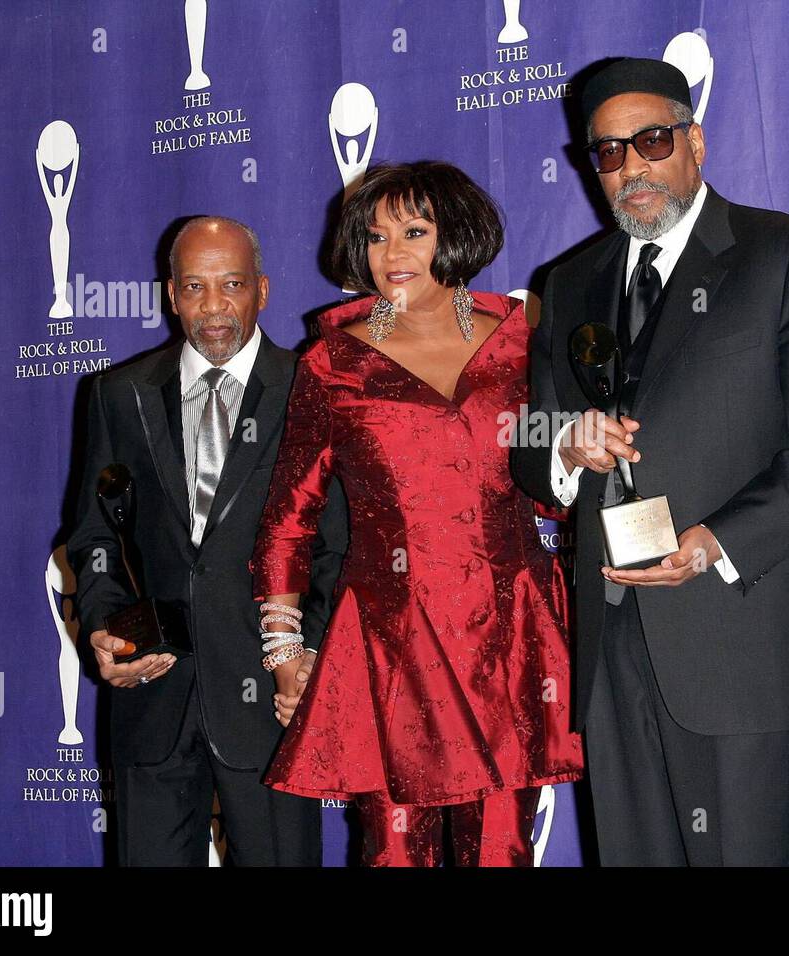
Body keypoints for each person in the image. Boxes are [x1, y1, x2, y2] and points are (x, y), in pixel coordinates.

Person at [510, 58, 789, 866]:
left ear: (696, 141)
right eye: (607, 153)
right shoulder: (569, 282)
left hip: (746, 641)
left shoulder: (784, 252)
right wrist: (565, 449)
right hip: (614, 647)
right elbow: (533, 452)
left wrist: (719, 541)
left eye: (650, 140)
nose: (631, 167)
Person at [251, 161, 582, 867]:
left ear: (455, 234)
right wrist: (285, 652)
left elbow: (558, 485)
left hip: (508, 633)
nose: (391, 255)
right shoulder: (332, 362)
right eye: (374, 237)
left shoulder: (523, 342)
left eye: (414, 232)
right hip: (389, 642)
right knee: (393, 854)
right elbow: (287, 519)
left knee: (502, 851)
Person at [67, 216, 348, 865]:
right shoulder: (119, 394)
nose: (214, 307)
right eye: (195, 287)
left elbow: (337, 548)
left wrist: (307, 658)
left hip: (272, 700)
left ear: (263, 290)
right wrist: (107, 625)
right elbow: (94, 539)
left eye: (232, 285)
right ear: (171, 294)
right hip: (152, 698)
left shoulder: (314, 393)